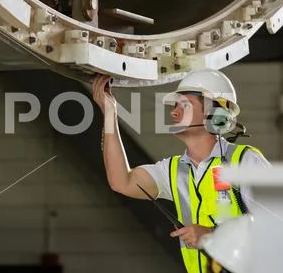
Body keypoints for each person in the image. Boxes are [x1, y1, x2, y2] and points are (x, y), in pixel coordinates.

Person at [92, 68, 271, 273]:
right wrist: (109, 115)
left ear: (216, 116)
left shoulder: (245, 162)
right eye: (175, 105)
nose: (174, 112)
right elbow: (121, 181)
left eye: (184, 105)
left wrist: (212, 235)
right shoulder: (174, 170)